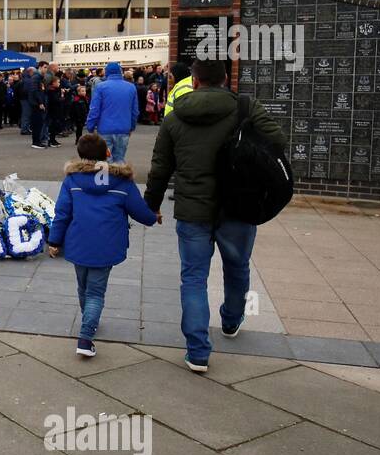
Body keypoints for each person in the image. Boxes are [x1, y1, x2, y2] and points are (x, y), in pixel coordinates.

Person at [144, 56, 285, 373]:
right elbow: (278, 142)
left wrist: (150, 206)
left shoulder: (175, 117)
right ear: (225, 80)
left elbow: (160, 169)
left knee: (193, 278)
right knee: (237, 266)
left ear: (193, 81)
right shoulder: (246, 108)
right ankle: (232, 319)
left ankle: (197, 352)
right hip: (239, 205)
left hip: (193, 209)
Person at [47, 132, 159, 357]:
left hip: (78, 242)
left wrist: (54, 241)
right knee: (96, 292)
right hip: (107, 245)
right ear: (106, 154)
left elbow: (62, 213)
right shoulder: (122, 182)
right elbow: (141, 213)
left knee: (83, 287)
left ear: (80, 154)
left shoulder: (72, 180)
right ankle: (86, 337)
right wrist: (153, 215)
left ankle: (89, 321)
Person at [84, 60, 138, 163]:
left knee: (105, 160)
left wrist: (90, 126)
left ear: (107, 72)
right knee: (119, 159)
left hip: (105, 129)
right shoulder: (131, 87)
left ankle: (106, 179)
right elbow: (135, 111)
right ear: (120, 72)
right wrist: (132, 127)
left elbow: (94, 109)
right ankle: (119, 178)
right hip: (123, 129)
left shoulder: (101, 87)